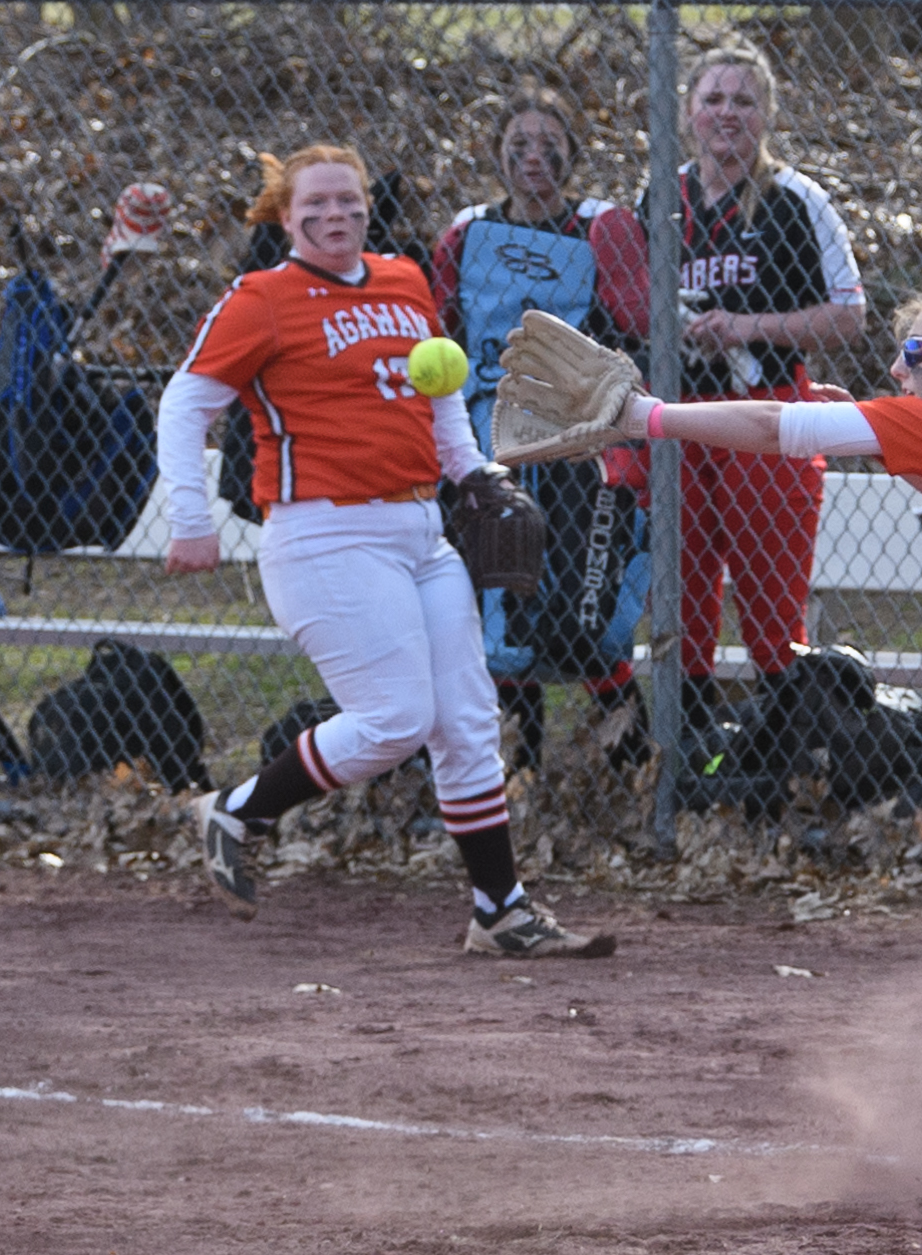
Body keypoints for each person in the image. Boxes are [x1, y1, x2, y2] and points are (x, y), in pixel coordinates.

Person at [495, 286, 922, 1161]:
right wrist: (883, 416)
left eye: (918, 355)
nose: (900, 368)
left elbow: (774, 433)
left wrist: (647, 414)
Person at [156, 142, 614, 959]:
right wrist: (190, 516)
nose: (334, 215)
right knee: (396, 718)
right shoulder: (262, 298)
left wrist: (473, 474)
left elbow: (438, 397)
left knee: (469, 722)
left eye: (348, 200)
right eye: (315, 204)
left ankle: (501, 911)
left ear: (368, 206)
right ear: (285, 215)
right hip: (324, 534)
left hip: (420, 532)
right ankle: (239, 807)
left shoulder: (403, 280)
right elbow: (186, 401)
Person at [429, 88, 652, 773]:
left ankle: (638, 755)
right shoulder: (466, 233)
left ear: (572, 152)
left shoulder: (600, 227)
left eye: (549, 141)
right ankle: (511, 766)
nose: (534, 156)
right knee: (500, 604)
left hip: (574, 441)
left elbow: (641, 330)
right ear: (496, 154)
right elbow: (438, 330)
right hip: (485, 440)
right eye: (518, 142)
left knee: (572, 614)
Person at [652, 44, 867, 731]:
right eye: (713, 99)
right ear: (688, 111)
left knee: (771, 603)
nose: (727, 114)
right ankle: (691, 751)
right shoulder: (660, 200)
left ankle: (786, 754)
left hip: (769, 418)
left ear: (767, 113)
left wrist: (746, 327)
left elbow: (849, 315)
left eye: (743, 101)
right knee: (681, 595)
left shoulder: (796, 200)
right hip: (679, 419)